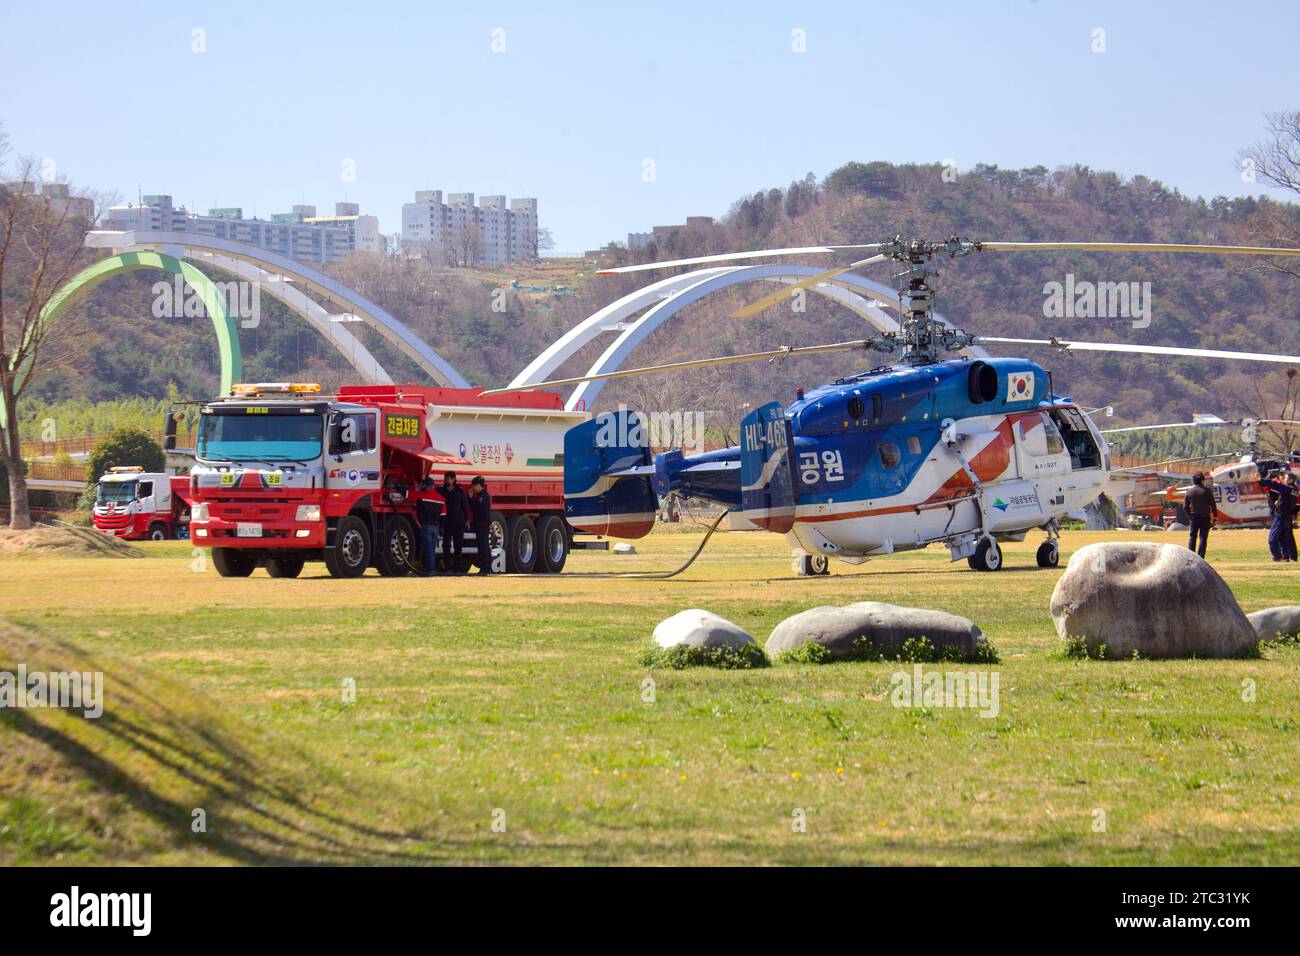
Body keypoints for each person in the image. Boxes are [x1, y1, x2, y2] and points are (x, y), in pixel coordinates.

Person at [1258, 469, 1298, 563]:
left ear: (1291, 480)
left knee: (1272, 539)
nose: (1284, 479)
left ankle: (1276, 557)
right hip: (1288, 517)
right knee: (1283, 537)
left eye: (1286, 478)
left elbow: (1274, 484)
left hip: (1280, 516)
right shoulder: (1295, 490)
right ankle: (1285, 557)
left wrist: (1261, 479)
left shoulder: (1286, 488)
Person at [440, 471, 470, 574]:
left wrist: (467, 520)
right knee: (446, 545)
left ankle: (457, 569)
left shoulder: (460, 491)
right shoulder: (441, 490)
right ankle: (448, 568)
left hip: (459, 522)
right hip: (446, 522)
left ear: (453, 479)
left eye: (448, 478)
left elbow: (465, 506)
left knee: (458, 545)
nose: (446, 480)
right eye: (445, 478)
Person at [414, 476, 445, 575]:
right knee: (431, 548)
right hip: (436, 526)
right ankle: (430, 568)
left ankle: (430, 569)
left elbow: (407, 495)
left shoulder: (421, 495)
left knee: (428, 548)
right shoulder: (442, 498)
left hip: (426, 525)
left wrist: (417, 489)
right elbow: (443, 515)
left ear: (424, 485)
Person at [1183, 472, 1217, 559]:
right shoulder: (1207, 491)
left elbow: (1185, 507)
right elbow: (1212, 505)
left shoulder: (1189, 492)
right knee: (1203, 537)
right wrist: (1215, 517)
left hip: (1194, 517)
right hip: (1205, 517)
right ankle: (1201, 557)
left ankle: (1191, 556)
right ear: (1202, 480)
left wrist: (1189, 515)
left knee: (1192, 537)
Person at [468, 475, 494, 575]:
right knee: (483, 547)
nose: (473, 488)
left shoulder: (483, 496)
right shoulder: (480, 495)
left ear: (479, 485)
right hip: (481, 524)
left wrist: (489, 522)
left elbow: (481, 510)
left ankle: (485, 569)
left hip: (482, 524)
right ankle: (485, 568)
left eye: (474, 486)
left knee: (483, 547)